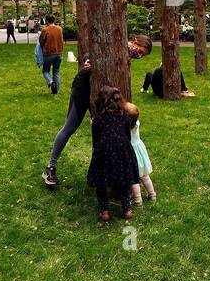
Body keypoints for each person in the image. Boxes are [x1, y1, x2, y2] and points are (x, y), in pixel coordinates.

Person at [87, 85, 139, 222]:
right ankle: (127, 209)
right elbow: (127, 137)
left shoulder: (98, 120)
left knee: (101, 183)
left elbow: (95, 139)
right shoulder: (124, 119)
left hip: (103, 150)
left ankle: (104, 211)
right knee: (124, 181)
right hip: (122, 149)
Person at [42, 58, 92, 188]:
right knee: (70, 127)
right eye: (141, 51)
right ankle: (50, 167)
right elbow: (89, 52)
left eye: (142, 55)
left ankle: (100, 172)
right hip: (83, 90)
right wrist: (87, 60)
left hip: (103, 94)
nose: (139, 55)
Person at [126, 101, 156, 205]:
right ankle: (152, 194)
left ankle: (138, 200)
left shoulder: (125, 128)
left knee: (133, 179)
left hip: (131, 154)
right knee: (144, 176)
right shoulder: (137, 123)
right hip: (140, 151)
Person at [39, 15, 64, 94]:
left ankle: (50, 82)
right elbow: (62, 40)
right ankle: (56, 91)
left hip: (48, 53)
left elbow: (41, 41)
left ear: (46, 21)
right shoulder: (59, 29)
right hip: (59, 53)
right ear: (54, 20)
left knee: (45, 71)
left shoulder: (45, 30)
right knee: (56, 72)